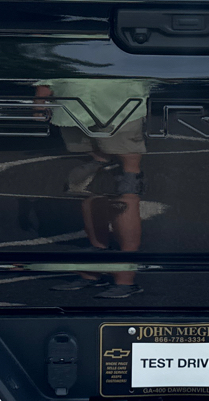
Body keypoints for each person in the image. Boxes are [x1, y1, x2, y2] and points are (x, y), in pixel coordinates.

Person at [33, 77, 150, 298]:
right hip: (72, 108)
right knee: (89, 182)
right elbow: (48, 51)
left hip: (119, 106)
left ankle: (125, 279)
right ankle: (92, 271)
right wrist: (41, 96)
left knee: (124, 184)